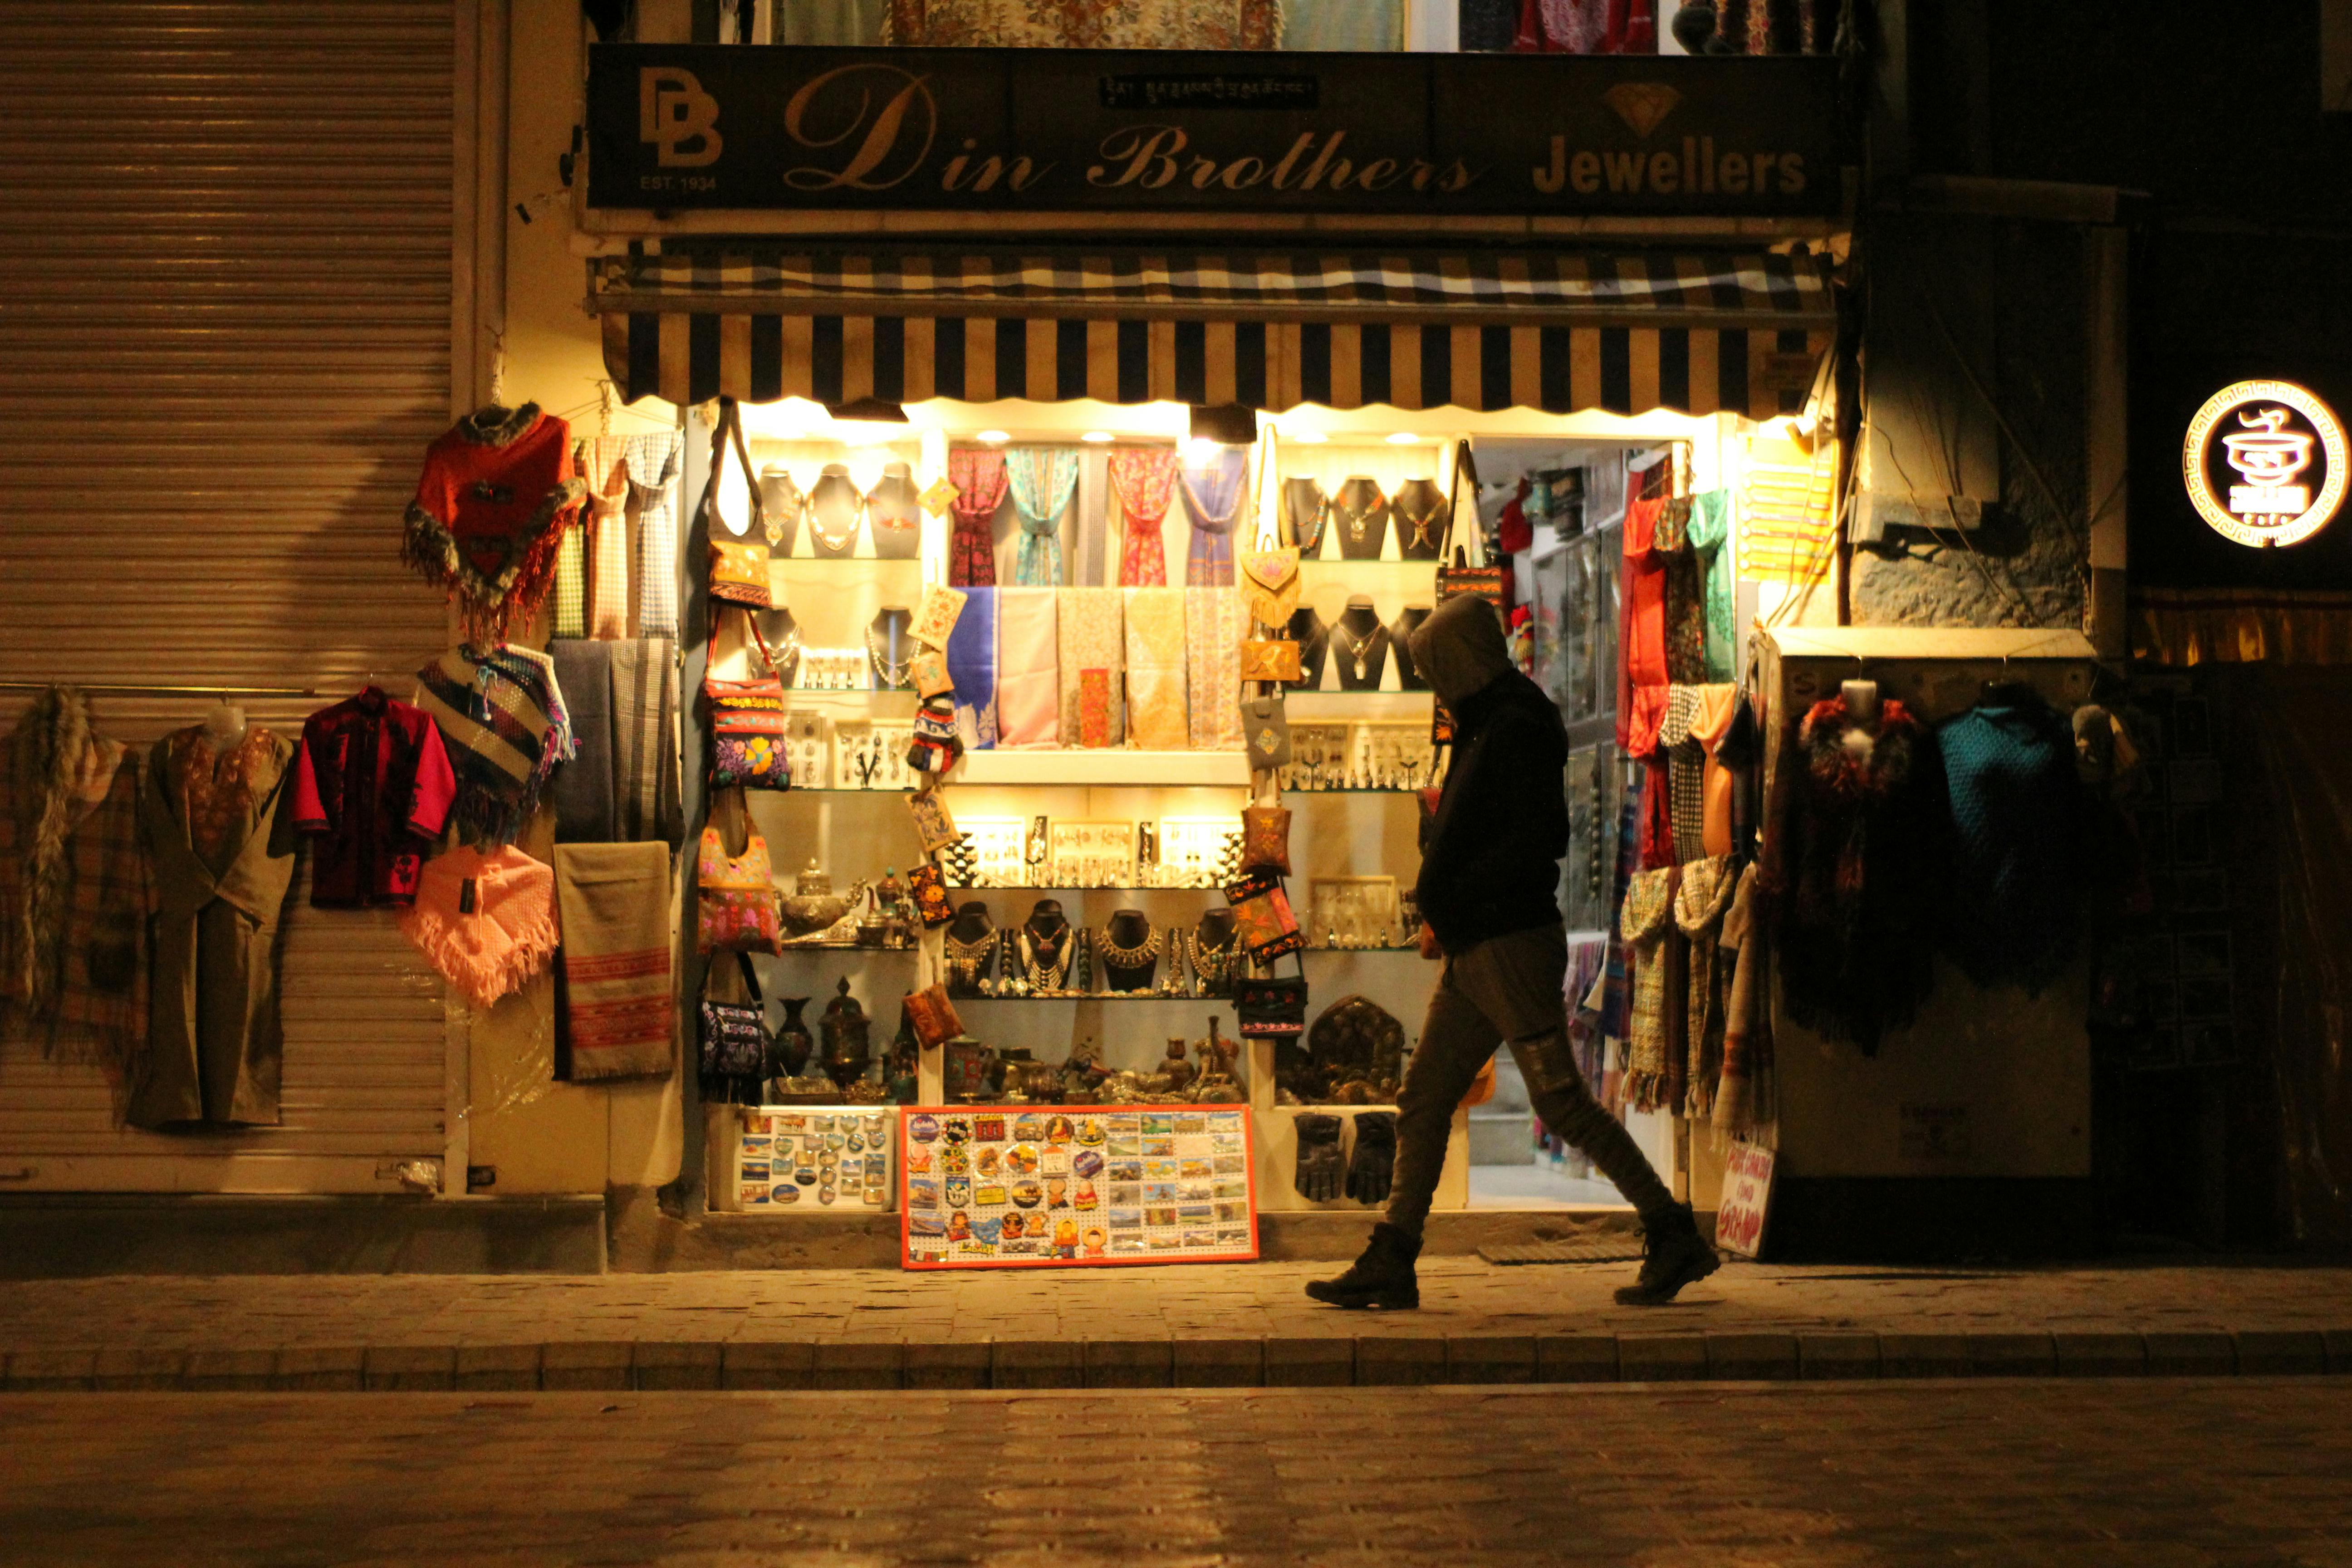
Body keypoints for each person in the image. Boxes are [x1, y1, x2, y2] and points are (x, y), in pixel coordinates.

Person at [1306, 593, 1718, 1310]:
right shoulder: (1493, 719)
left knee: (1561, 1102)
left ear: (1459, 661)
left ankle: (1671, 1227)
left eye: (1437, 668)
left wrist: (1456, 895)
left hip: (1505, 941)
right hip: (1483, 942)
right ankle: (1392, 1256)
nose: (1435, 684)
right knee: (1426, 1097)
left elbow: (1517, 840)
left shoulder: (1513, 727)